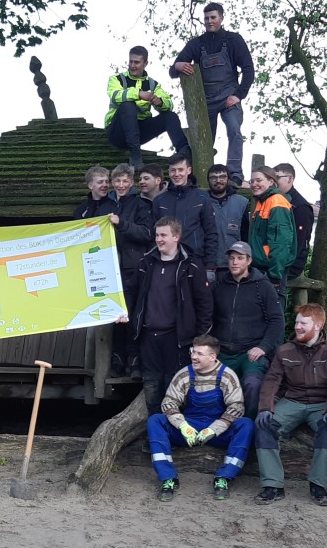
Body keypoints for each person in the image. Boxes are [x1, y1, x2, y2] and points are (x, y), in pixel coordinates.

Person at [254, 303, 327, 506]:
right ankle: (273, 486)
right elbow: (271, 380)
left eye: (303, 323)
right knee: (264, 425)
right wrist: (265, 408)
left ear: (318, 325)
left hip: (321, 404)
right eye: (296, 322)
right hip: (292, 401)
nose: (297, 327)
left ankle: (318, 486)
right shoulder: (284, 351)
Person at [147, 334, 254, 502]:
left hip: (217, 430)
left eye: (199, 354)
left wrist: (214, 429)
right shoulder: (184, 374)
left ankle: (224, 477)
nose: (193, 357)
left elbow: (237, 407)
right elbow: (169, 403)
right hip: (190, 427)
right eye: (193, 352)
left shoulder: (227, 375)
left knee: (246, 424)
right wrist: (183, 426)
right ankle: (168, 477)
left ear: (213, 357)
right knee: (155, 420)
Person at [125, 217, 212, 415]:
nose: (159, 239)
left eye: (163, 235)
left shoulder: (192, 266)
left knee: (175, 389)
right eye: (157, 235)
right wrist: (126, 315)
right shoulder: (145, 263)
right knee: (151, 388)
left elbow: (205, 305)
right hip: (148, 337)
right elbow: (131, 292)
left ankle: (174, 434)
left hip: (177, 339)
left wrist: (199, 339)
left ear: (176, 236)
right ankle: (154, 433)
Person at [170, 2, 254, 186]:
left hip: (229, 96)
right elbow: (174, 69)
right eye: (206, 18)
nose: (209, 21)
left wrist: (239, 95)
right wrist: (178, 66)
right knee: (204, 140)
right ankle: (202, 175)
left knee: (234, 129)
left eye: (213, 17)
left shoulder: (234, 40)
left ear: (221, 18)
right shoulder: (197, 43)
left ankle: (235, 175)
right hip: (205, 100)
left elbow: (248, 69)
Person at [210, 241, 284, 419]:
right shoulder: (219, 286)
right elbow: (208, 317)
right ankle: (217, 428)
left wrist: (263, 347)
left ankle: (248, 427)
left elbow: (277, 320)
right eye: (232, 258)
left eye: (240, 258)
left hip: (250, 352)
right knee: (210, 385)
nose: (234, 262)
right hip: (222, 351)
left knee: (252, 384)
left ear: (249, 261)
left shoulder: (263, 286)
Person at [106, 46, 191, 168]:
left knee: (170, 116)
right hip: (117, 132)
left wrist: (160, 102)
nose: (132, 65)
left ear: (145, 63)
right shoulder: (117, 79)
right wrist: (139, 94)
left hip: (140, 130)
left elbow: (169, 103)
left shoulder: (152, 84)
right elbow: (115, 95)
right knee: (128, 105)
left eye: (136, 62)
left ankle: (185, 154)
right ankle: (135, 156)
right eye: (130, 61)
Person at [109, 165, 153, 377]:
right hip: (108, 269)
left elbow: (146, 234)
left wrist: (122, 224)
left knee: (132, 315)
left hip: (132, 269)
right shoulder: (106, 204)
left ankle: (134, 360)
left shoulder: (140, 205)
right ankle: (116, 360)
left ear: (131, 182)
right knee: (114, 317)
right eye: (117, 181)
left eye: (125, 181)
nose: (121, 185)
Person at [152, 153, 220, 278]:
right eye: (173, 170)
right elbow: (153, 234)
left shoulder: (202, 198)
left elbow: (211, 233)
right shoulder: (159, 200)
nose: (176, 174)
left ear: (189, 170)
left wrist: (210, 266)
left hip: (194, 259)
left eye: (180, 170)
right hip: (166, 261)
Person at [248, 165, 296, 303]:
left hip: (272, 270)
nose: (254, 184)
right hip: (262, 268)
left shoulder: (276, 202)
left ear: (271, 182)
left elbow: (281, 242)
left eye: (259, 180)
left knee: (273, 313)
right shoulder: (261, 202)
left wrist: (275, 274)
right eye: (252, 181)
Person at [207, 164, 249, 274]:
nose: (218, 180)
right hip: (207, 265)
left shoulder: (241, 203)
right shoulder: (201, 202)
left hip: (234, 266)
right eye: (213, 178)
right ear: (208, 181)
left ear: (228, 179)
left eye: (222, 177)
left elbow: (246, 235)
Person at [274, 163, 314, 280]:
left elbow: (299, 243)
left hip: (290, 265)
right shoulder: (275, 200)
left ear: (290, 179)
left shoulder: (301, 207)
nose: (273, 182)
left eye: (277, 178)